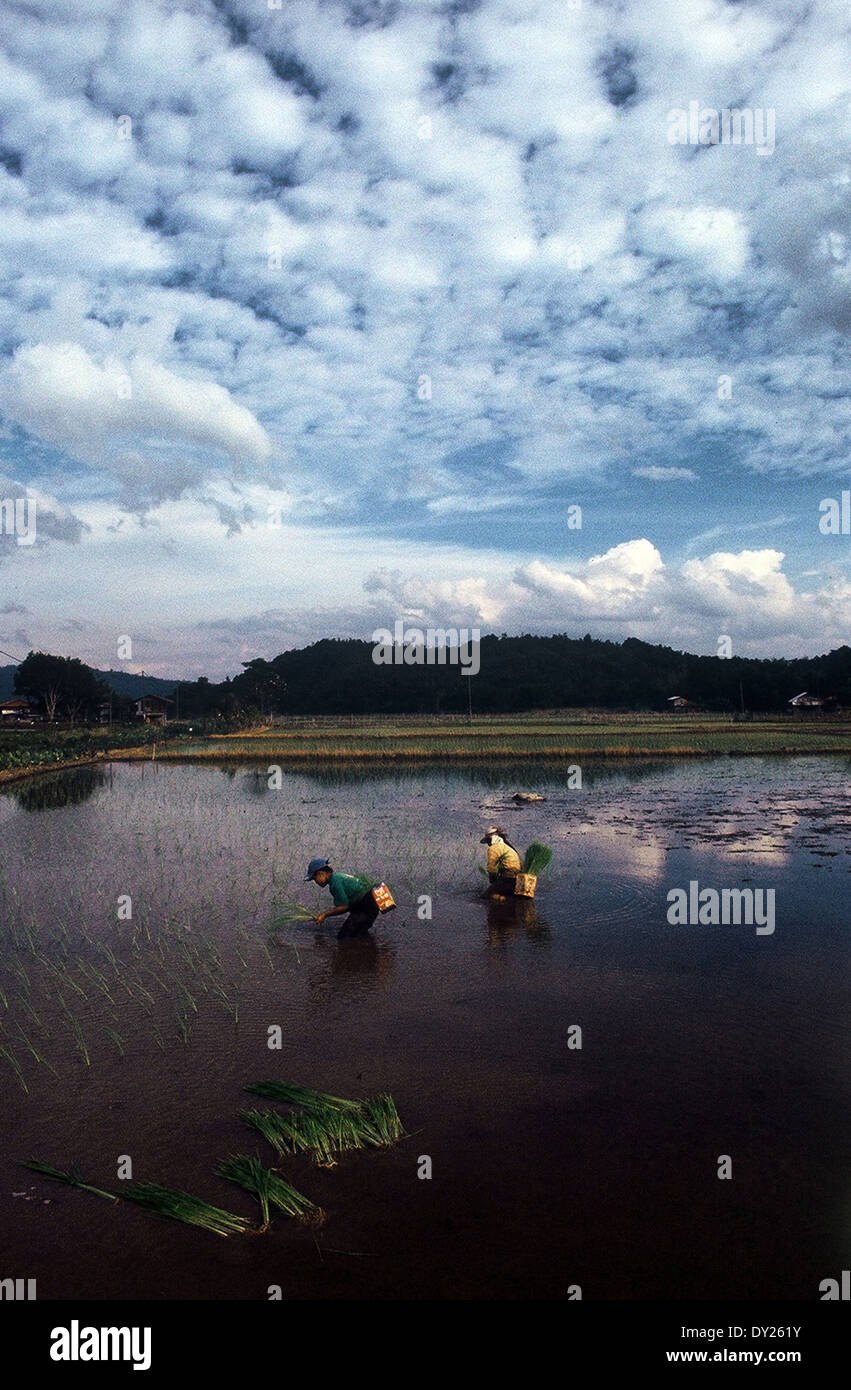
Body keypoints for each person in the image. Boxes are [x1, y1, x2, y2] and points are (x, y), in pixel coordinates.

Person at [304, 857, 380, 939]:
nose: (316, 882)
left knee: (343, 937)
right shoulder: (338, 877)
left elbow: (344, 907)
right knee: (360, 933)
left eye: (315, 879)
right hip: (372, 901)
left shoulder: (335, 883)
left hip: (366, 905)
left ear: (321, 874)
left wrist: (324, 914)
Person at [480, 826, 522, 897]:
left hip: (507, 880)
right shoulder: (509, 848)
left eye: (488, 841)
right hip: (517, 880)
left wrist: (493, 880)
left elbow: (491, 869)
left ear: (492, 839)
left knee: (484, 897)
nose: (488, 844)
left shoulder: (493, 848)